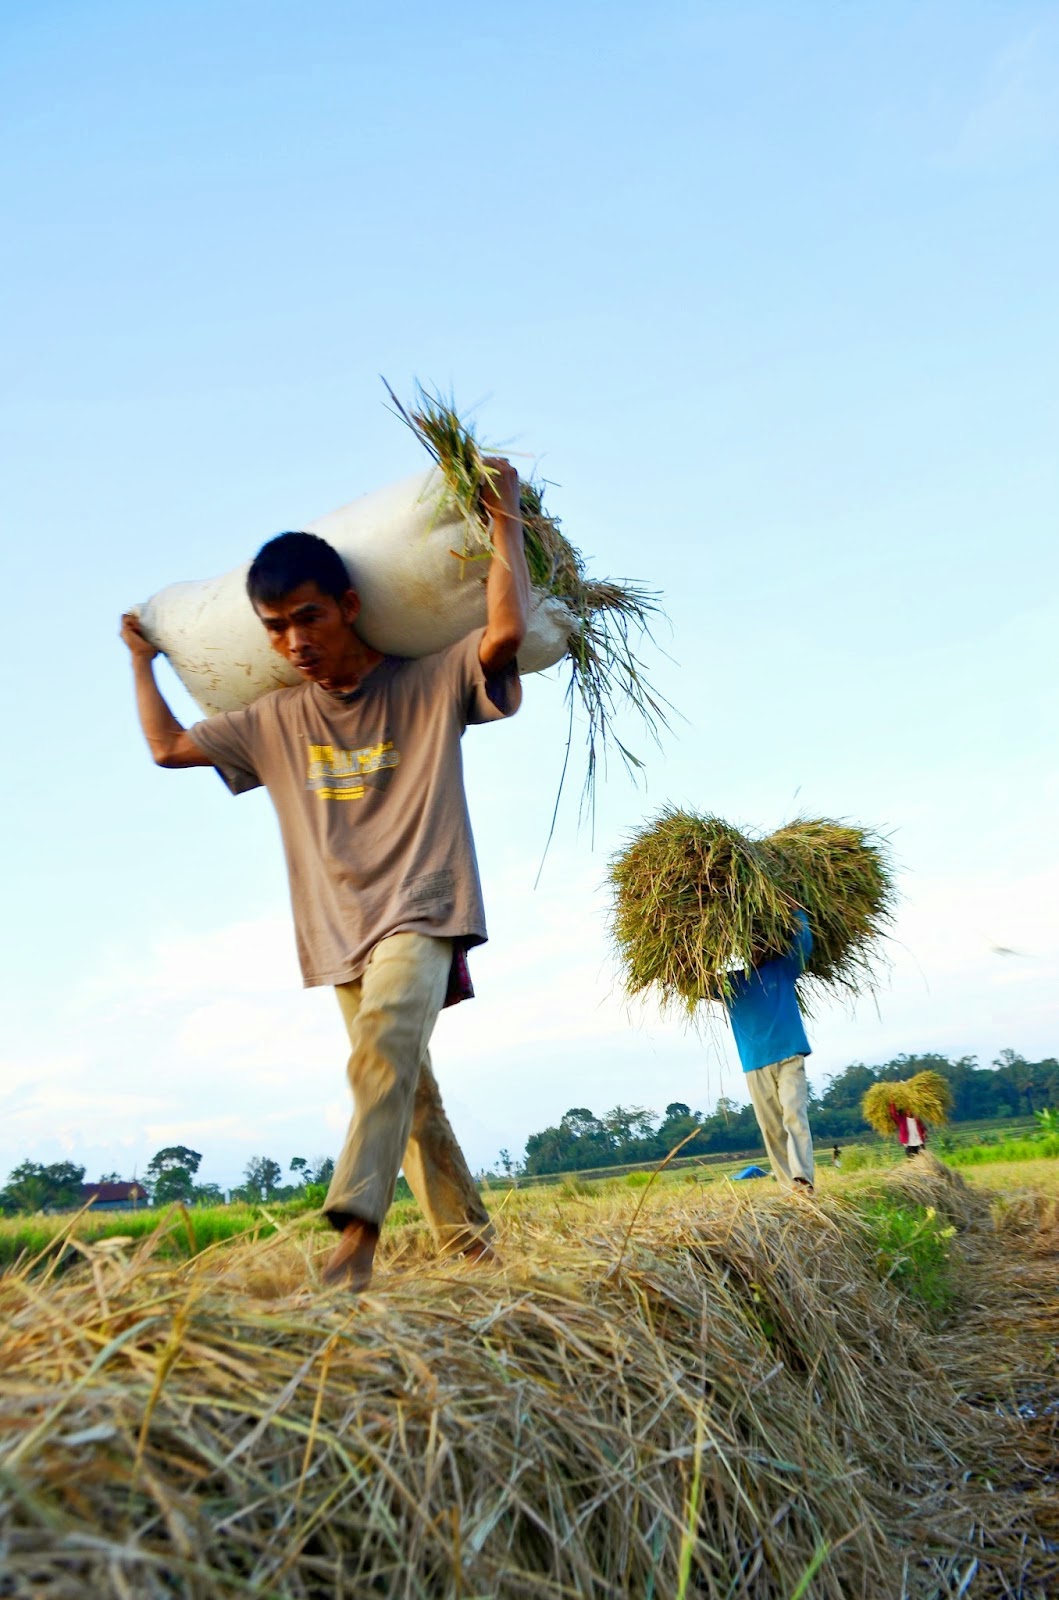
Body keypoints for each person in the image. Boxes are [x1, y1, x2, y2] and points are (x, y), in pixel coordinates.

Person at [120, 458, 530, 1292]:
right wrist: (141, 662)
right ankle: (471, 1252)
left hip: (424, 904)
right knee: (407, 1093)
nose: (293, 643)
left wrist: (504, 516)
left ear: (348, 605)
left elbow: (504, 636)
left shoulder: (426, 681)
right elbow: (167, 749)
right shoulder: (273, 720)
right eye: (274, 629)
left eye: (308, 618)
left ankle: (353, 1236)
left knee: (383, 1054)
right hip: (338, 930)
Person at [725, 911, 816, 1193]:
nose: (755, 949)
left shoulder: (783, 968)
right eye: (750, 945)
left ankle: (803, 1179)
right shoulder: (732, 983)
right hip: (754, 1064)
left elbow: (803, 941)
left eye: (759, 943)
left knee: (794, 1115)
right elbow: (692, 983)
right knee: (772, 1129)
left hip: (789, 1057)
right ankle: (790, 1189)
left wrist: (795, 910)